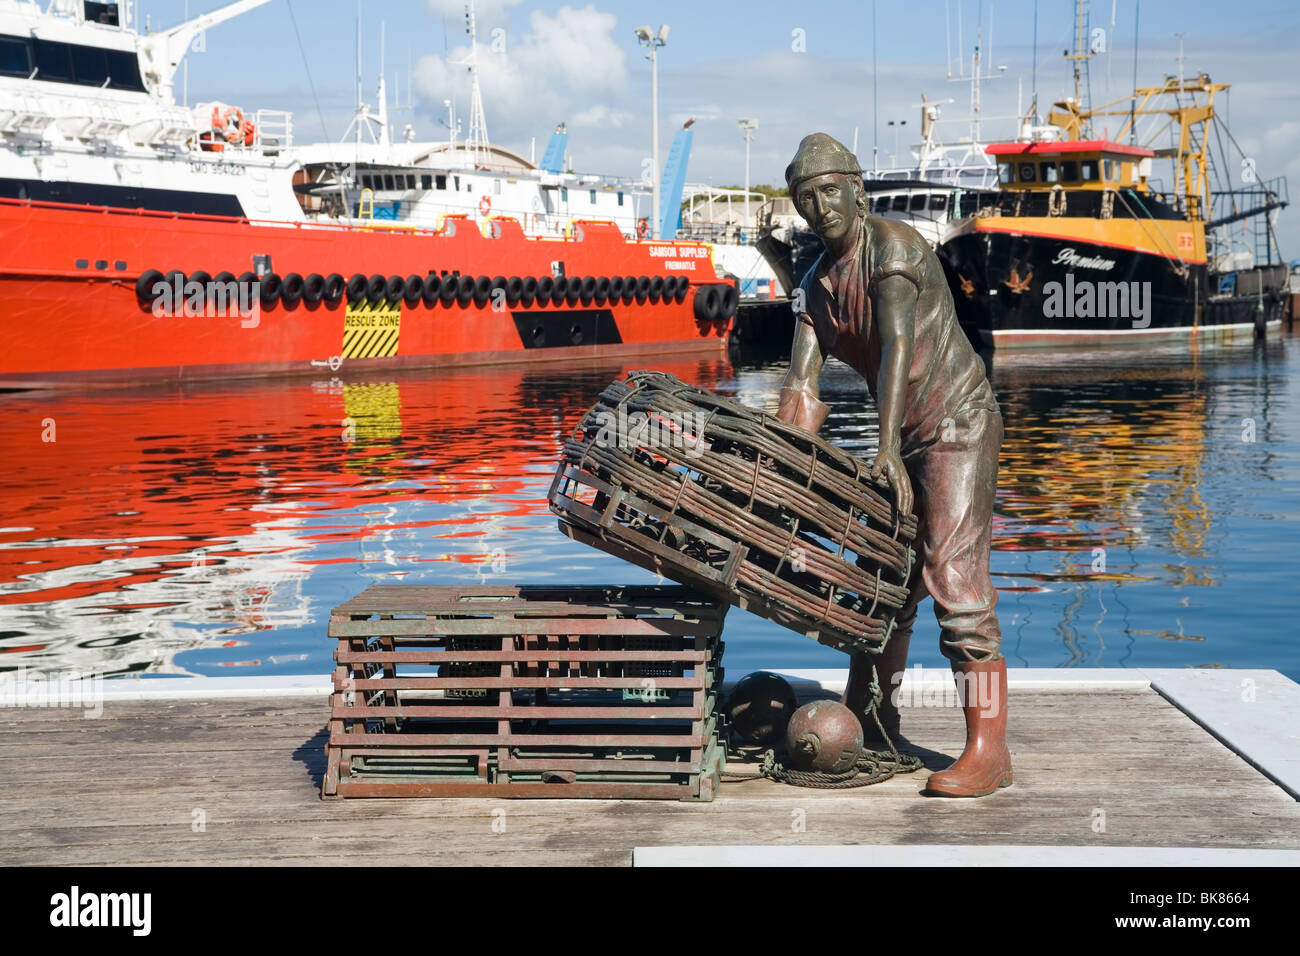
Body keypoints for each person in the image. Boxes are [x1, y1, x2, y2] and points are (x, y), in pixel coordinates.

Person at [775, 133, 1012, 797]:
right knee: (885, 581)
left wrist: (883, 449)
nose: (820, 207)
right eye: (805, 198)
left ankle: (989, 749)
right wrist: (779, 470)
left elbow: (898, 348)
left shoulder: (895, 248)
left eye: (829, 191)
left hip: (956, 423)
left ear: (856, 188)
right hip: (901, 434)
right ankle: (876, 722)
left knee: (952, 578)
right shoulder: (814, 286)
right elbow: (801, 386)